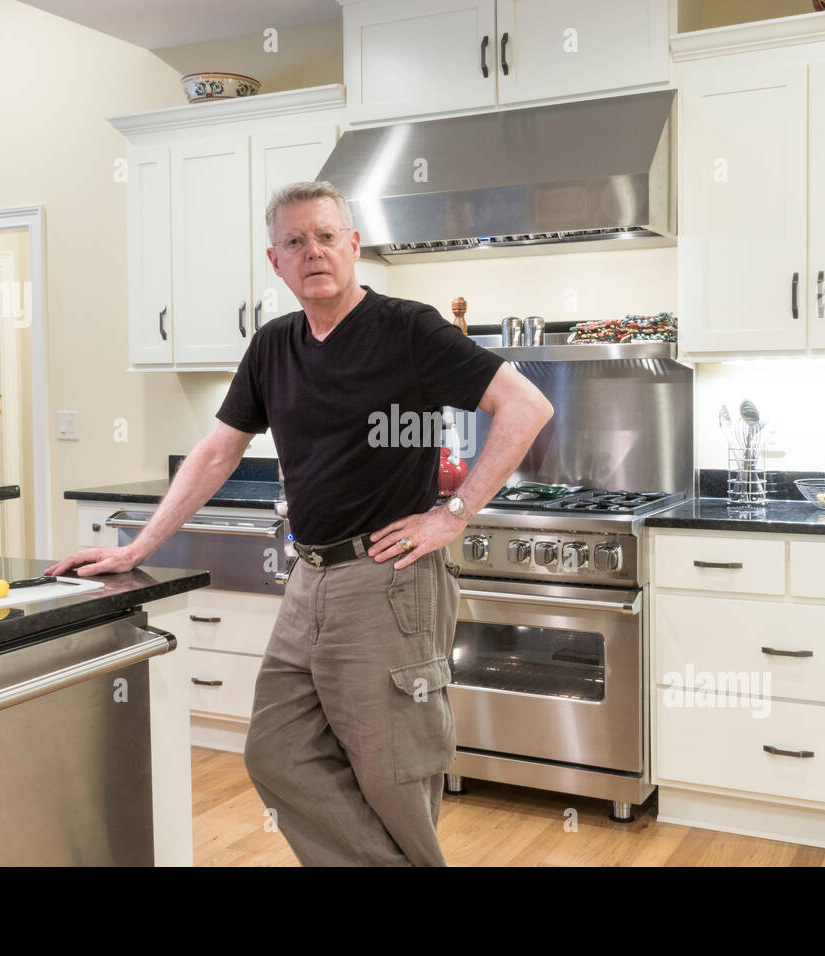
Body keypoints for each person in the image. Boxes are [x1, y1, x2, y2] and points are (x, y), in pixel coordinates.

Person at [46, 180, 553, 865]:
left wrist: (452, 515)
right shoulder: (274, 346)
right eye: (294, 241)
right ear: (274, 261)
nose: (311, 251)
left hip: (389, 581)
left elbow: (525, 406)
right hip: (308, 578)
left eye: (323, 235)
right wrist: (139, 543)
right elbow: (218, 452)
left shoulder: (408, 328)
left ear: (352, 246)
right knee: (277, 755)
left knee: (394, 777)